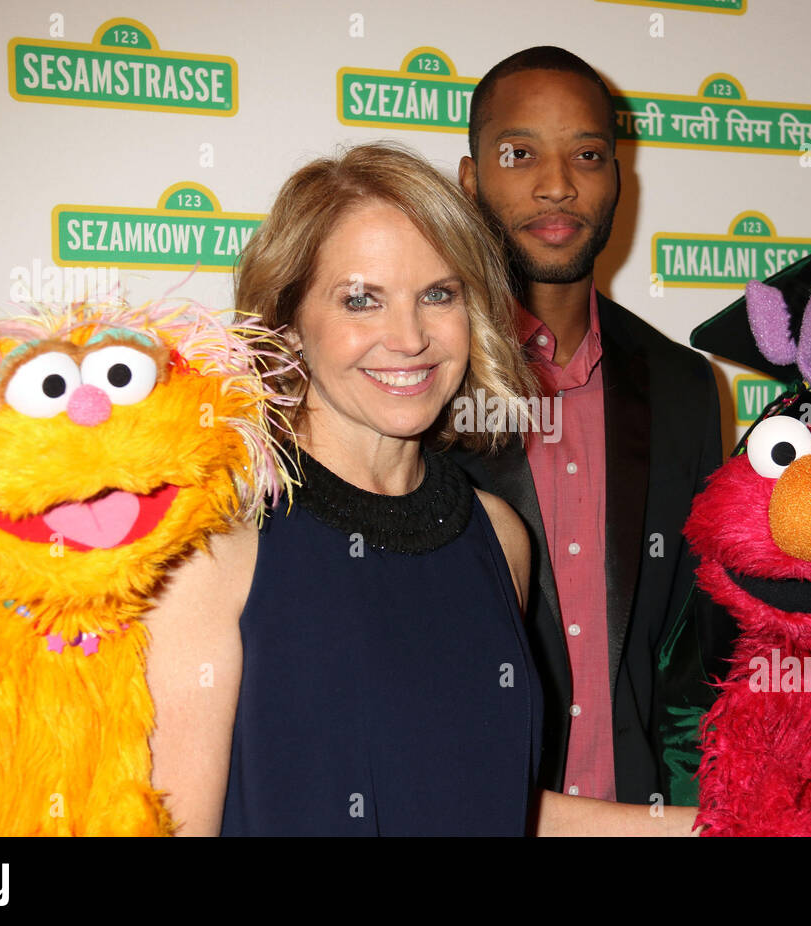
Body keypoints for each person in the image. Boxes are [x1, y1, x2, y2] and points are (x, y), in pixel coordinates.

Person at [144, 143, 542, 835]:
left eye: (438, 295)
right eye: (361, 299)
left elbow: (490, 805)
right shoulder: (213, 546)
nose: (410, 336)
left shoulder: (499, 536)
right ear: (288, 324)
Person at [450, 46, 727, 815]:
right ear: (470, 181)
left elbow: (700, 642)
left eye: (588, 154)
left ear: (618, 179)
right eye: (520, 153)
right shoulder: (417, 379)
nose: (557, 183)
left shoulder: (683, 386)